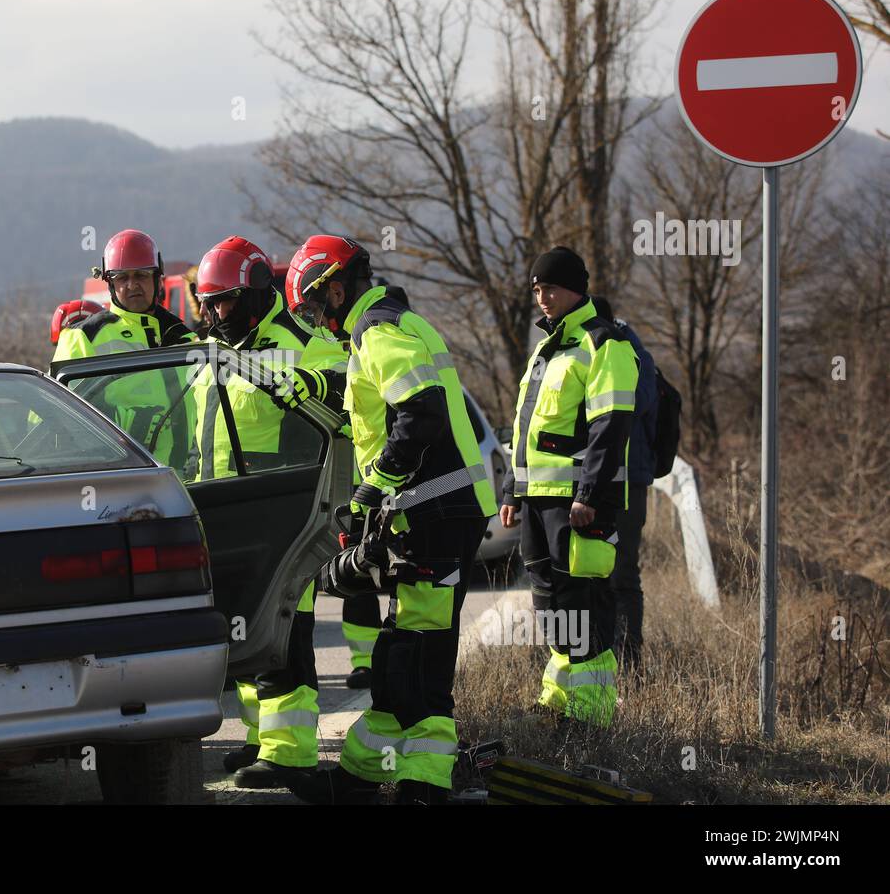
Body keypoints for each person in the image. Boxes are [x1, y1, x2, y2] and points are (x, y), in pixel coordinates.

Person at [285, 235, 496, 805]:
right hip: (430, 510)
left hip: (436, 511)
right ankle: (360, 772)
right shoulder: (389, 326)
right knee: (400, 649)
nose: (315, 320)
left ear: (335, 288)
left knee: (423, 652)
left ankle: (424, 784)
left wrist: (374, 489)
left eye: (313, 306)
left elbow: (419, 412)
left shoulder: (377, 331)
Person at [191, 235, 348, 789]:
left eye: (223, 301)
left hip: (283, 512)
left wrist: (309, 383)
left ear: (257, 294)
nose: (212, 313)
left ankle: (292, 754)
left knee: (286, 633)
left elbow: (344, 394)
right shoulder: (218, 348)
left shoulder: (302, 340)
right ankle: (261, 738)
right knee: (245, 630)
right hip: (222, 505)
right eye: (205, 302)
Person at [497, 247, 639, 729]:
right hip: (538, 502)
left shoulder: (605, 344)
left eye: (550, 288)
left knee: (584, 606)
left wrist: (590, 497)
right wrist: (511, 492)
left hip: (579, 504)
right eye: (536, 289)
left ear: (577, 287)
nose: (542, 297)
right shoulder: (546, 348)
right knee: (551, 604)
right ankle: (558, 701)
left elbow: (611, 427)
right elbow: (523, 428)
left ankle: (592, 717)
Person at [51, 229, 195, 465]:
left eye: (141, 275)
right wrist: (128, 423)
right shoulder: (84, 337)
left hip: (187, 481)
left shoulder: (184, 338)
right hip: (119, 478)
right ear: (109, 283)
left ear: (157, 279)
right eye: (122, 278)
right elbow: (59, 417)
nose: (132, 285)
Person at [589, 296, 657, 674]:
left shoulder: (627, 350)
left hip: (626, 480)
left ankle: (628, 665)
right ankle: (600, 660)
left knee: (621, 574)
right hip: (604, 477)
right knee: (596, 573)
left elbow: (634, 405)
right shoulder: (630, 348)